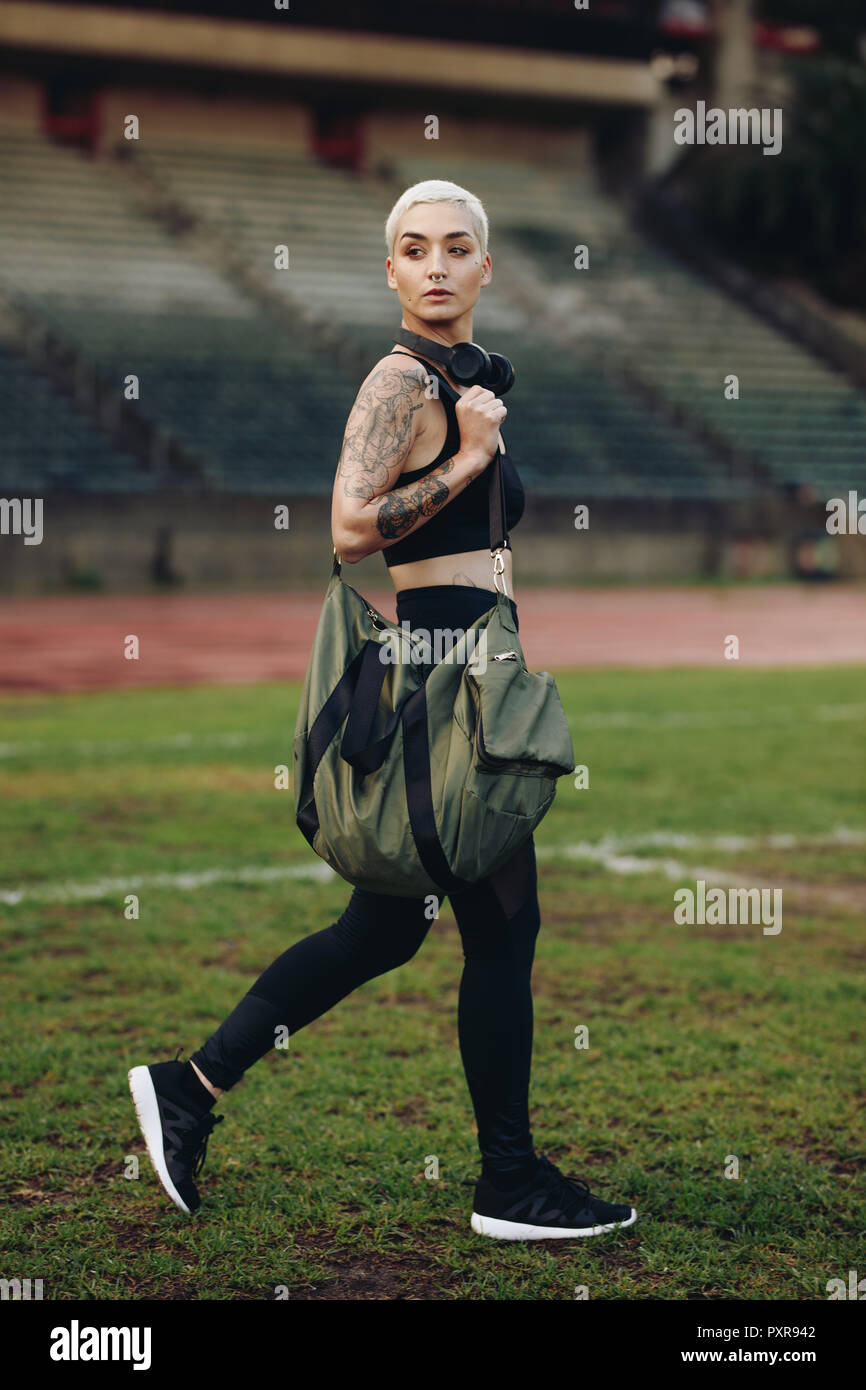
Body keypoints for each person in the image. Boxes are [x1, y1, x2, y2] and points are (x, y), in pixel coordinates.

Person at [128, 179, 637, 1242]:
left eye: (458, 247)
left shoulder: (461, 378)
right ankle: (507, 1183)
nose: (438, 264)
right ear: (392, 271)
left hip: (464, 662)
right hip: (438, 672)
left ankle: (191, 1084)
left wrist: (475, 442)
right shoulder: (400, 380)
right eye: (415, 249)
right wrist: (467, 455)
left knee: (386, 925)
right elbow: (352, 528)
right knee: (500, 925)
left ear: (484, 267)